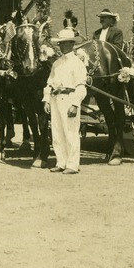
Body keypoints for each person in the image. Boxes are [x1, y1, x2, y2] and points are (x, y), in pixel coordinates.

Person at [43, 28, 88, 174]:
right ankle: (60, 162)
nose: (61, 46)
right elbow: (50, 82)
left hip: (69, 99)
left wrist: (75, 104)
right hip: (56, 99)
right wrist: (47, 100)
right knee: (57, 132)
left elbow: (81, 86)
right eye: (59, 43)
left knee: (71, 132)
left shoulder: (77, 63)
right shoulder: (56, 63)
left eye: (63, 43)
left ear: (70, 44)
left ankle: (73, 164)